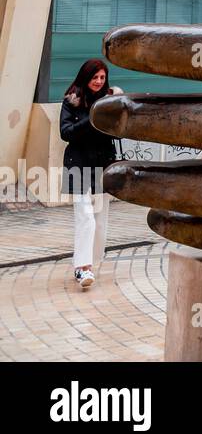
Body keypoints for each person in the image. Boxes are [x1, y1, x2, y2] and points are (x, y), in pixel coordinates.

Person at [60, 59, 119, 290]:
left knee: (100, 220)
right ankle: (83, 268)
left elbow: (116, 132)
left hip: (102, 165)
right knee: (86, 217)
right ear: (86, 77)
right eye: (95, 77)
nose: (98, 82)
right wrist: (91, 119)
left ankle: (88, 265)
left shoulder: (110, 101)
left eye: (102, 78)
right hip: (77, 165)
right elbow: (65, 133)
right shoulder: (71, 101)